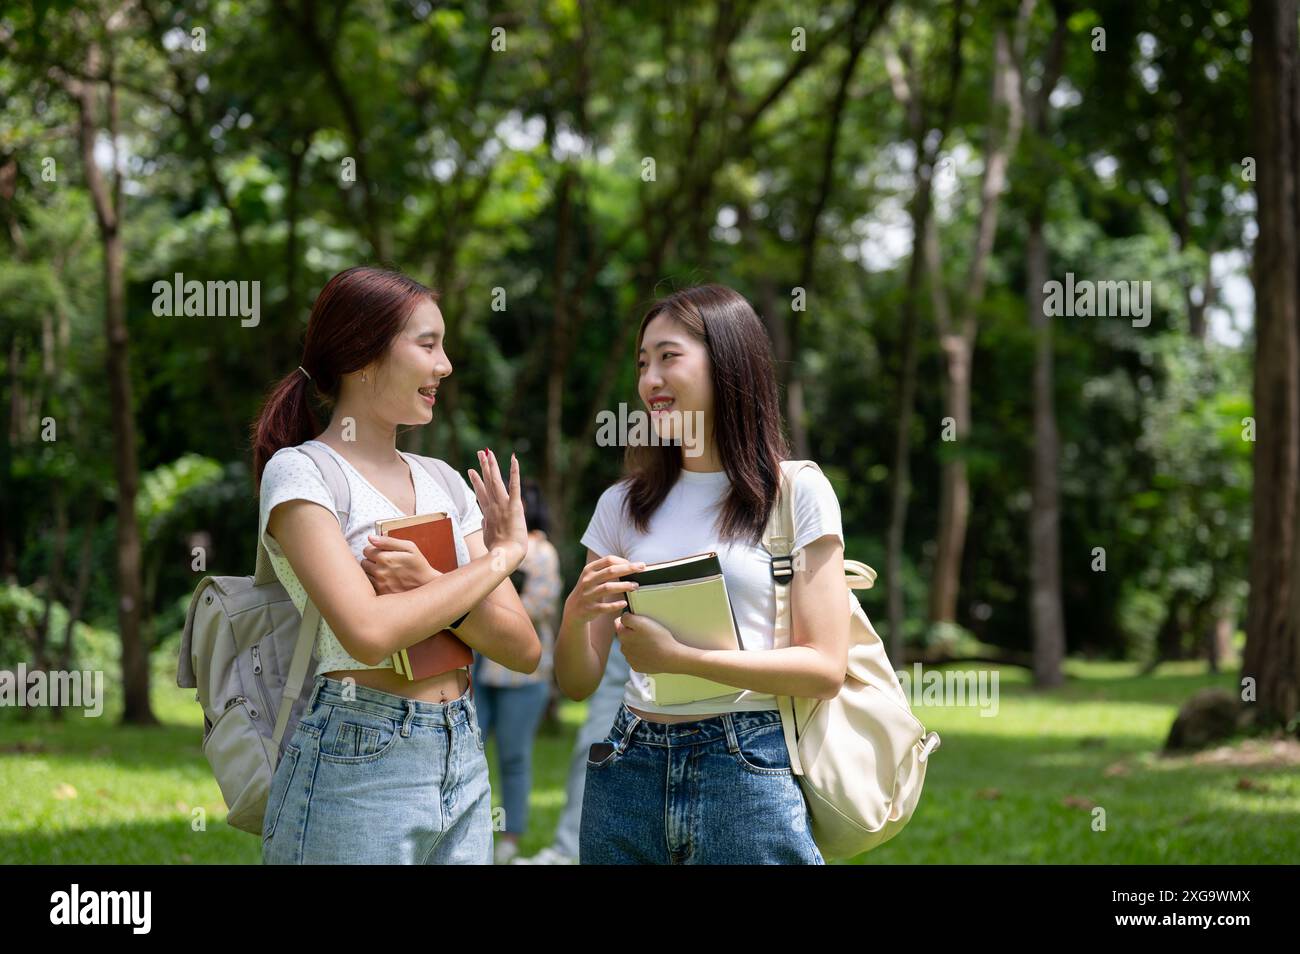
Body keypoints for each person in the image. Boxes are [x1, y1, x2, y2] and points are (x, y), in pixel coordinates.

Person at [252, 265, 540, 864]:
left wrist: (434, 584)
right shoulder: (302, 473)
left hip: (461, 748)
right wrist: (504, 556)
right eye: (428, 344)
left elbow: (522, 648)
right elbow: (368, 632)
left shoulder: (442, 481)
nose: (446, 366)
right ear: (362, 354)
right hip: (357, 757)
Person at [555, 283, 850, 865]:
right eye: (643, 363)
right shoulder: (621, 505)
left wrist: (682, 660)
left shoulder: (795, 494)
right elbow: (577, 681)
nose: (650, 380)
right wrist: (576, 612)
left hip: (745, 765)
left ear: (728, 361)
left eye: (669, 357)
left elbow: (824, 668)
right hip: (628, 763)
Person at [471, 478, 562, 864]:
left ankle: (510, 836)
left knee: (513, 756)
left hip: (524, 674)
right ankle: (471, 831)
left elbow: (539, 606)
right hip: (477, 667)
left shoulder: (542, 552)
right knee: (468, 752)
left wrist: (487, 598)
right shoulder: (481, 543)